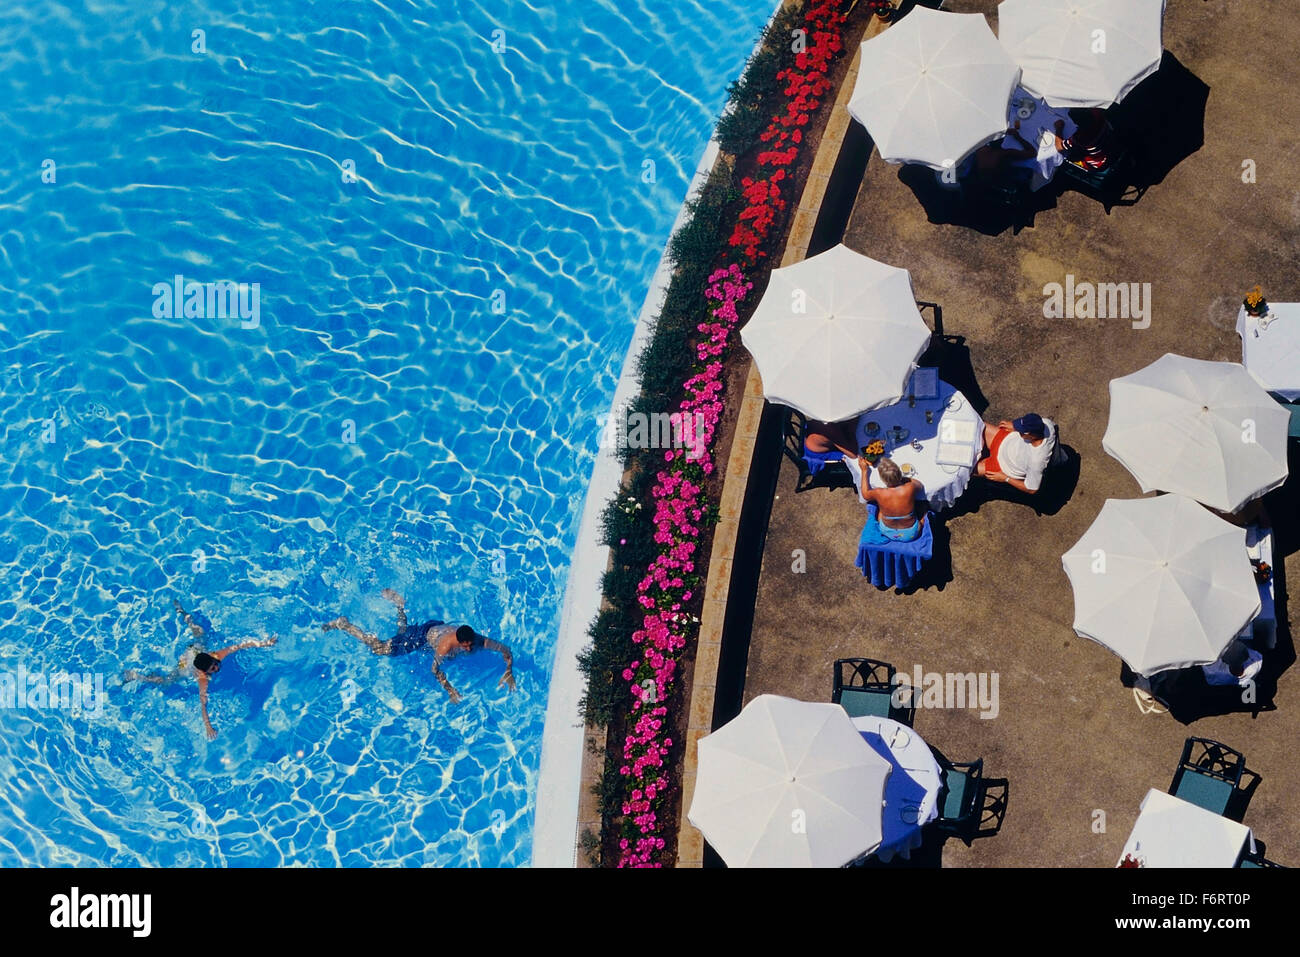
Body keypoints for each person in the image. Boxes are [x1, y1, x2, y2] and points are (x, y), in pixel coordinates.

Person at [321, 588, 514, 704]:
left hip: (435, 627)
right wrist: (450, 689)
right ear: (459, 641)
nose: (470, 649)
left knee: (401, 634)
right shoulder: (445, 647)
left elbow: (506, 650)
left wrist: (508, 671)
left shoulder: (480, 640)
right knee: (380, 649)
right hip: (424, 637)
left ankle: (399, 605)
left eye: (471, 645)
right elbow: (434, 669)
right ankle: (344, 624)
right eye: (466, 646)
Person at [123, 599, 278, 739]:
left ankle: (181, 611)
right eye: (213, 668)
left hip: (195, 650)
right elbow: (203, 702)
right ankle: (137, 676)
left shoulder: (216, 655)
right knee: (166, 682)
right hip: (185, 665)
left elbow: (241, 645)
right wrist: (208, 726)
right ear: (206, 671)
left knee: (199, 632)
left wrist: (265, 643)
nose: (217, 668)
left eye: (215, 664)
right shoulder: (202, 678)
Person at [977, 412, 1057, 494]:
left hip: (1003, 466)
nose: (1018, 431)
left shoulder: (1036, 461)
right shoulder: (1047, 424)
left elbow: (1031, 489)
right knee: (977, 425)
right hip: (1005, 439)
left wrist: (1005, 478)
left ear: (1031, 435)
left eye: (1021, 431)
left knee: (968, 468)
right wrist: (1014, 426)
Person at [860, 456, 924, 542]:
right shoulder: (909, 488)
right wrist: (903, 479)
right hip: (910, 534)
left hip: (887, 532)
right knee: (925, 510)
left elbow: (865, 494)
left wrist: (864, 471)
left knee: (881, 510)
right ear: (900, 474)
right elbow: (919, 485)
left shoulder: (879, 492)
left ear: (883, 479)